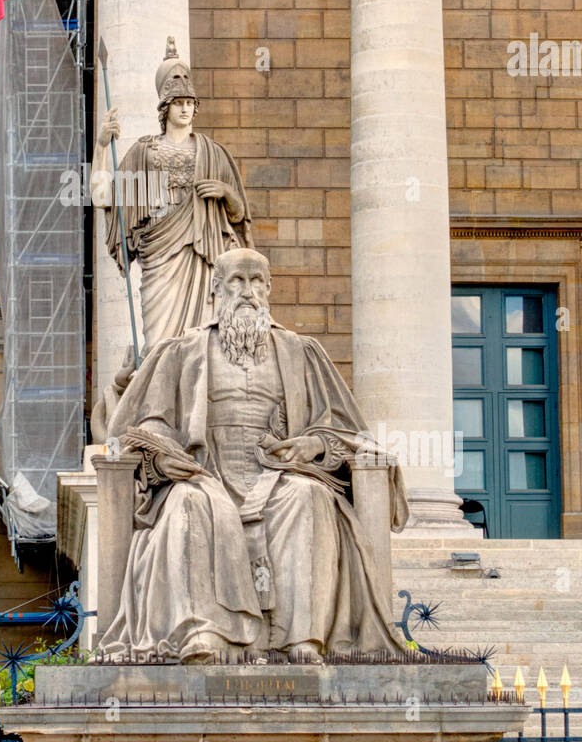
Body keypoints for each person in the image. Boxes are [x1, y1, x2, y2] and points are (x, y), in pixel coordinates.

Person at [100, 247, 409, 664]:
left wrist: (314, 445)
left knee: (310, 498)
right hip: (205, 473)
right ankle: (204, 633)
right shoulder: (182, 351)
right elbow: (148, 424)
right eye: (236, 281)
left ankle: (300, 640)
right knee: (187, 504)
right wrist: (162, 457)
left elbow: (347, 430)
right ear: (216, 289)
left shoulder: (301, 351)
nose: (247, 291)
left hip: (277, 475)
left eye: (256, 281)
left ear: (269, 288)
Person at [91, 38, 254, 435]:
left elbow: (239, 219)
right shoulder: (144, 153)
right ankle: (159, 422)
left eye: (189, 102)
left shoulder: (214, 154)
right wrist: (101, 146)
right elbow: (101, 196)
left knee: (203, 344)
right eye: (178, 102)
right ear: (165, 108)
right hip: (161, 261)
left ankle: (199, 425)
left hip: (204, 259)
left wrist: (226, 193)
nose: (185, 108)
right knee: (160, 345)